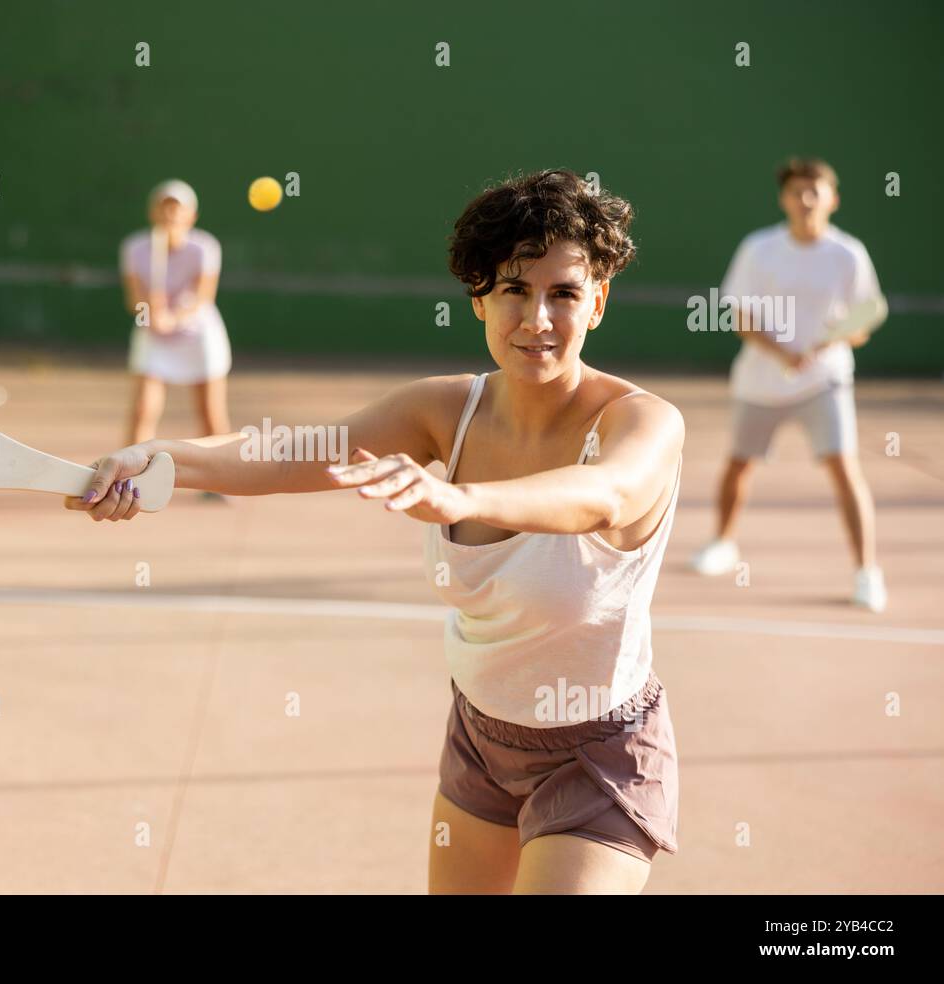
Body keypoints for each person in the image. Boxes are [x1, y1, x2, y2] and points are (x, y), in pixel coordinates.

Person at [67, 169, 686, 894]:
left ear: (599, 302)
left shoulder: (642, 422)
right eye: (514, 289)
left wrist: (460, 497)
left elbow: (606, 495)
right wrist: (162, 459)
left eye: (564, 293)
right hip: (481, 742)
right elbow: (288, 452)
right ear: (480, 297)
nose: (537, 318)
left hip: (598, 753)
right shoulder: (443, 410)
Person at [689, 158, 886, 612]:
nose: (806, 199)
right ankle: (723, 544)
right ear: (785, 199)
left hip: (827, 381)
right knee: (739, 465)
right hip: (760, 381)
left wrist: (825, 345)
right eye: (797, 191)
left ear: (832, 199)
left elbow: (863, 321)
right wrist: (782, 353)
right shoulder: (759, 249)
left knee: (843, 467)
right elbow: (740, 317)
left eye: (815, 191)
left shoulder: (849, 254)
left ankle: (866, 573)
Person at [118, 181, 231, 502]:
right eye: (164, 206)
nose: (170, 213)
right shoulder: (135, 247)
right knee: (143, 410)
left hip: (199, 336)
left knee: (211, 414)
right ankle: (130, 482)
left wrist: (175, 316)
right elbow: (134, 299)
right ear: (153, 212)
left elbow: (203, 297)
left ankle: (220, 482)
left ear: (191, 215)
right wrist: (150, 313)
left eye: (177, 207)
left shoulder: (205, 247)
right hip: (154, 337)